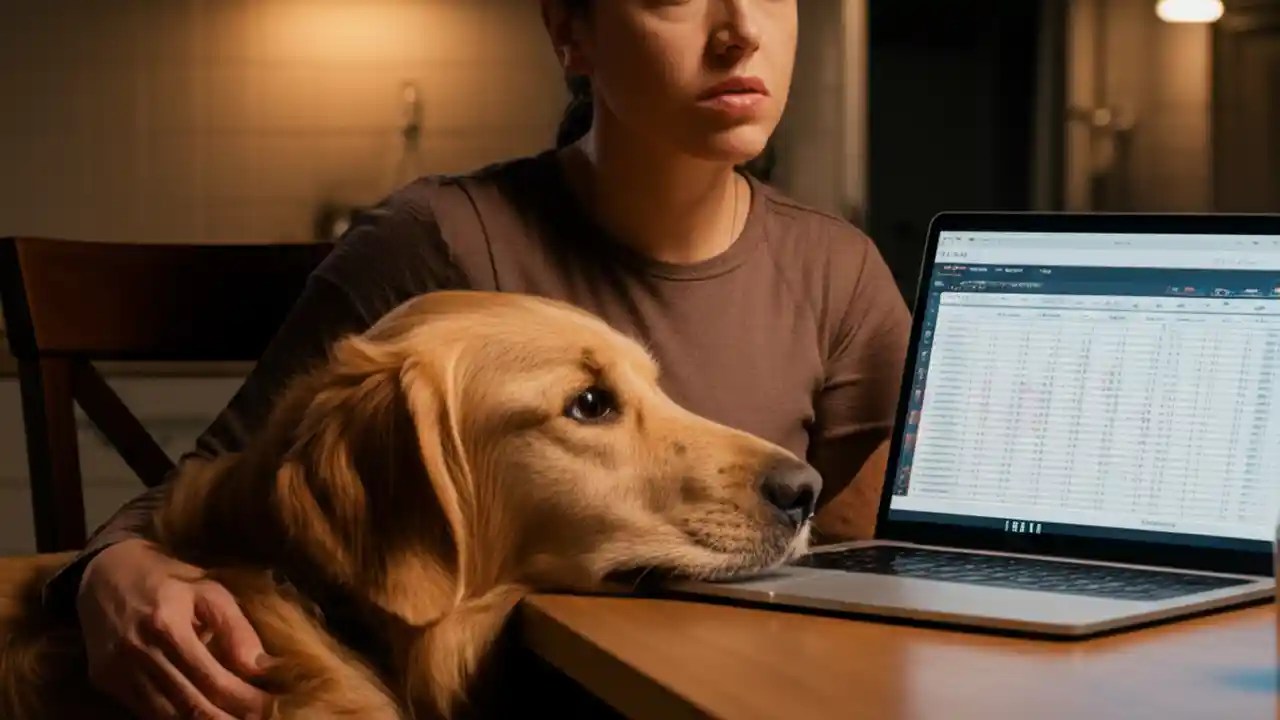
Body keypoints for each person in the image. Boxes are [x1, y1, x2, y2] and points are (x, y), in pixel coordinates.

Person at [46, 1, 911, 718]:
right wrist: (105, 571)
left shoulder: (836, 270)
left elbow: (886, 543)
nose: (742, 32)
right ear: (571, 33)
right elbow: (228, 479)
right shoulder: (437, 242)